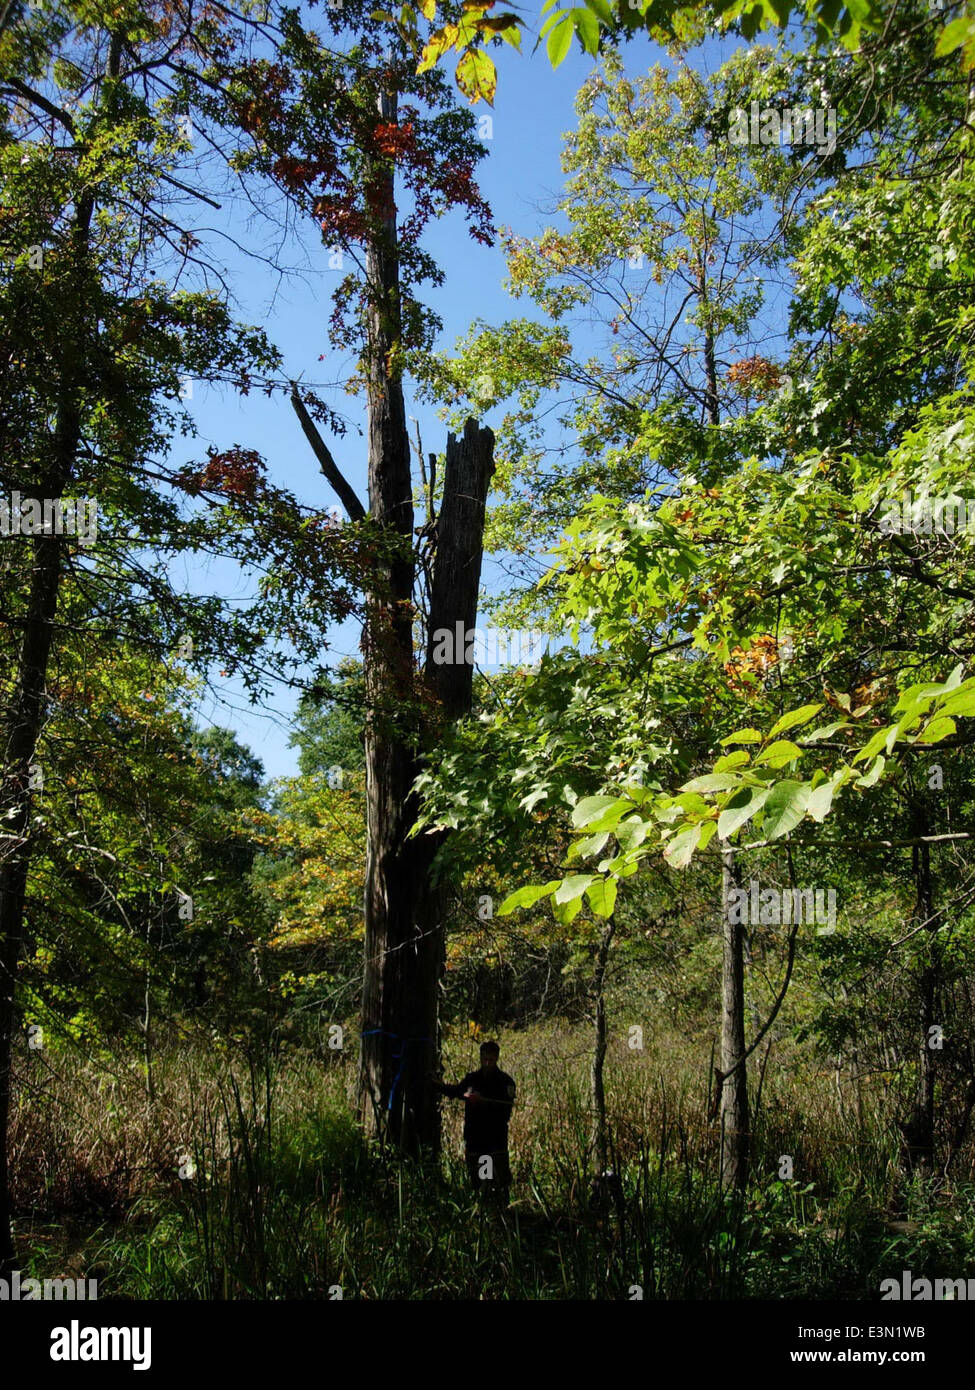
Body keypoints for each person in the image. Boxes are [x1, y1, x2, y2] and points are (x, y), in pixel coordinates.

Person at [432, 1040, 516, 1198]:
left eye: (491, 1060)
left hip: (494, 1139)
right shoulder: (473, 1079)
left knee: (498, 1181)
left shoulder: (505, 1082)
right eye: (485, 1059)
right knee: (479, 1181)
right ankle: (483, 1210)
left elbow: (506, 1110)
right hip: (476, 1137)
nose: (487, 1063)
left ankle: (502, 1212)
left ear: (497, 1058)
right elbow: (456, 1091)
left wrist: (484, 1102)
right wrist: (438, 1085)